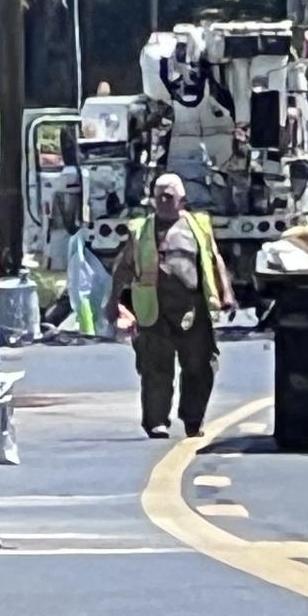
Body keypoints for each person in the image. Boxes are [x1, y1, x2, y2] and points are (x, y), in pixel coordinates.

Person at [109, 173, 236, 439]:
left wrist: (227, 295)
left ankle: (193, 418)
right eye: (159, 197)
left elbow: (215, 260)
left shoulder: (198, 226)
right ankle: (156, 421)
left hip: (192, 308)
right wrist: (113, 301)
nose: (164, 201)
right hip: (154, 309)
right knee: (155, 368)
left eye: (169, 196)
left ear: (182, 199)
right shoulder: (141, 229)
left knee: (200, 365)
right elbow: (123, 267)